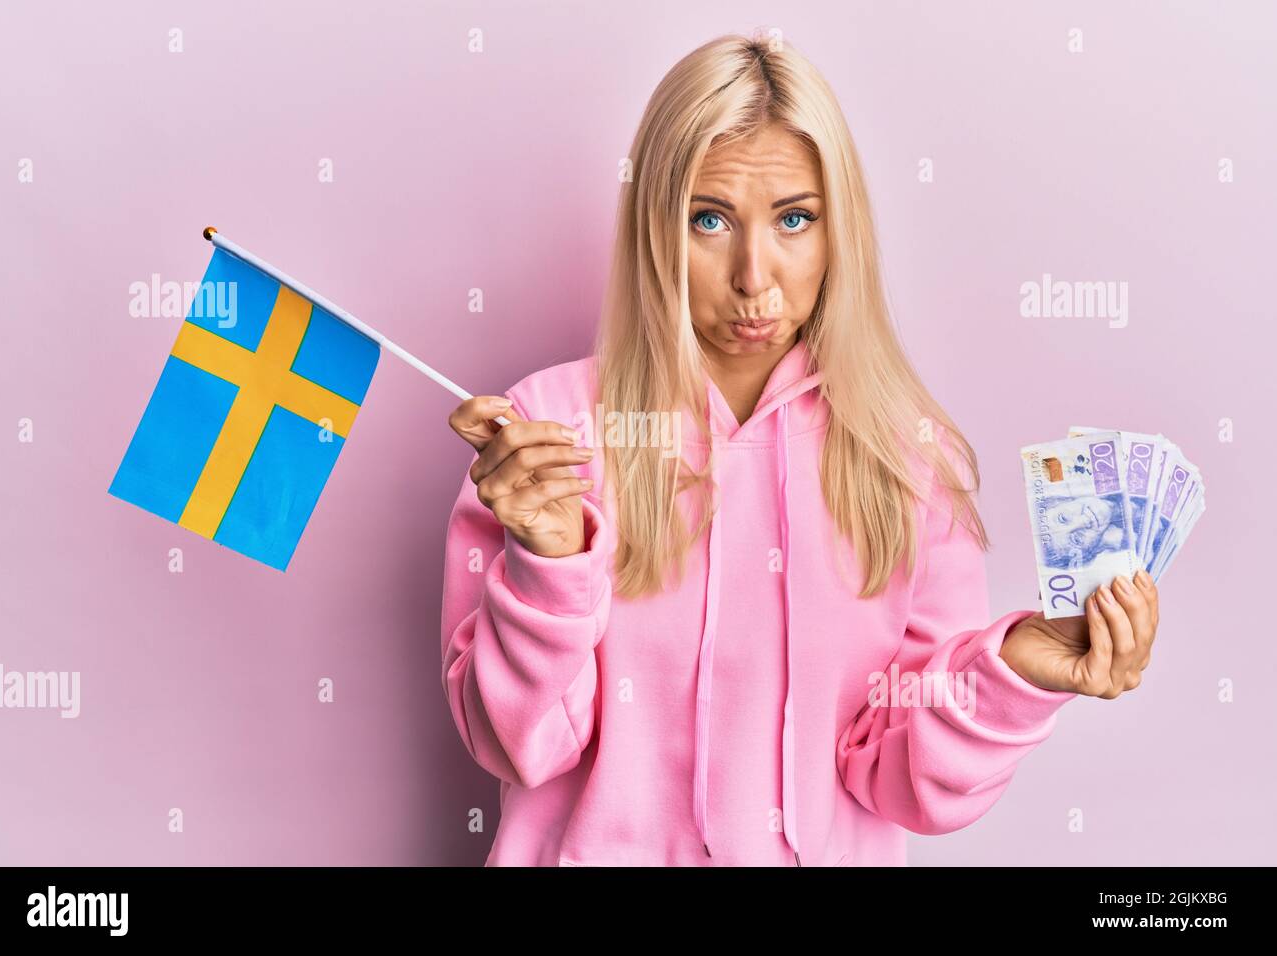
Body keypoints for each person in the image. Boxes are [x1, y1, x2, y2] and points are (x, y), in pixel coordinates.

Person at [440, 33, 1160, 867]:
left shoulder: (908, 456)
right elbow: (518, 748)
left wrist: (1015, 674)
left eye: (793, 219)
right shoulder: (544, 438)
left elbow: (897, 782)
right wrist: (551, 564)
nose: (754, 275)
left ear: (837, 231)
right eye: (708, 219)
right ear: (654, 230)